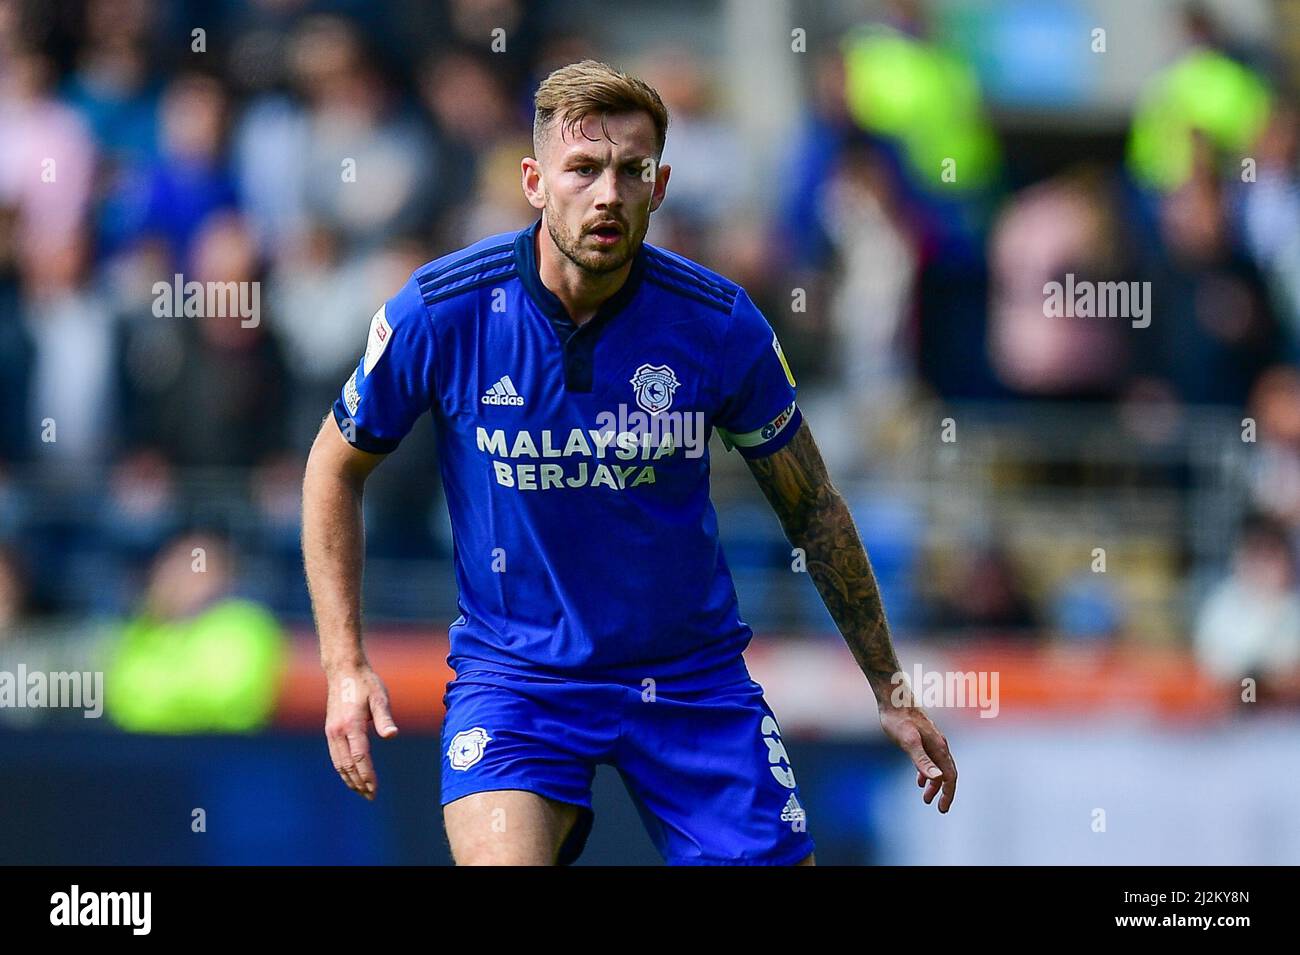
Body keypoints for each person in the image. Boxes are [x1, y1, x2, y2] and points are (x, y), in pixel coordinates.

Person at [301, 59, 957, 866]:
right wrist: (344, 665)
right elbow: (332, 467)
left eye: (631, 170)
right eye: (583, 169)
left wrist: (891, 687)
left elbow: (813, 508)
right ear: (535, 182)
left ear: (661, 185)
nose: (608, 193)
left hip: (692, 682)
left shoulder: (718, 325)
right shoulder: (445, 311)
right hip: (519, 682)